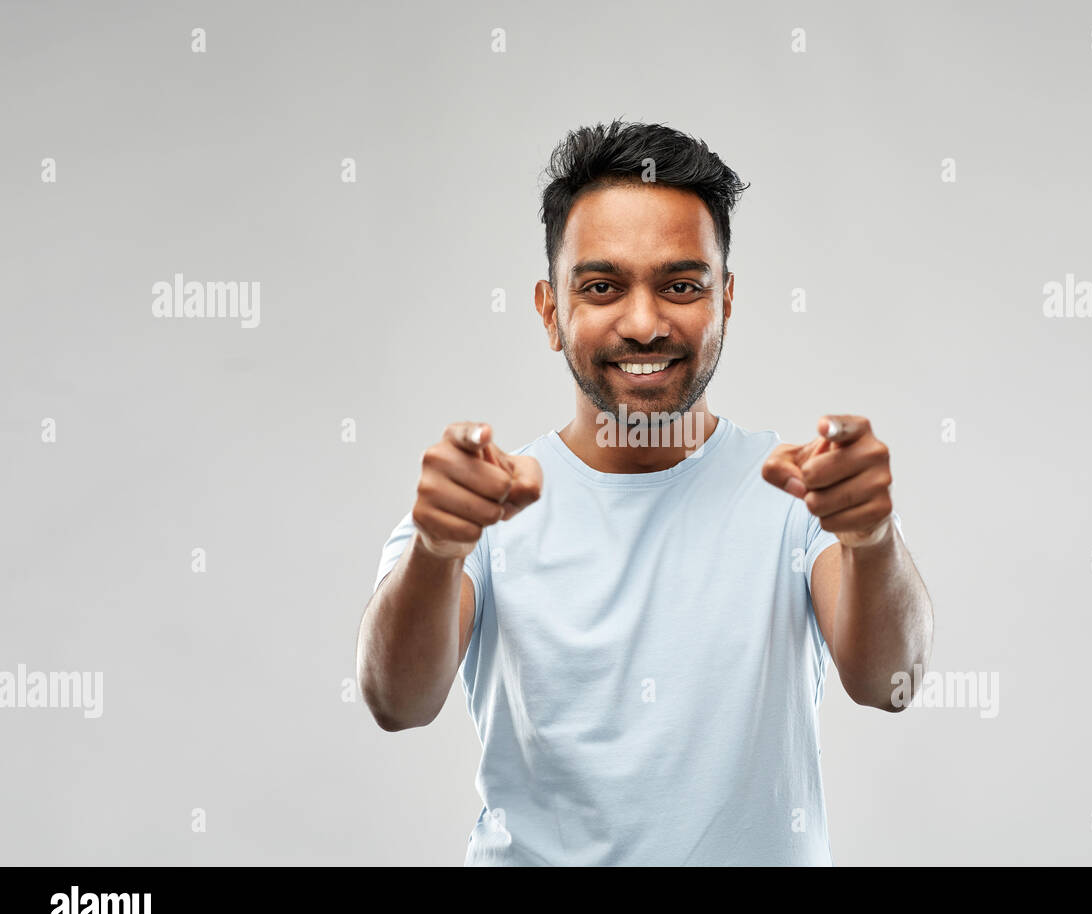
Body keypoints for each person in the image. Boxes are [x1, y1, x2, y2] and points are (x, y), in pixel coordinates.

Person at [356, 119, 934, 865]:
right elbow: (395, 702)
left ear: (725, 300)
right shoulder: (480, 504)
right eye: (602, 287)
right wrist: (437, 549)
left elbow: (889, 684)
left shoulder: (798, 490)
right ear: (548, 311)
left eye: (681, 286)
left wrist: (871, 537)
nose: (643, 322)